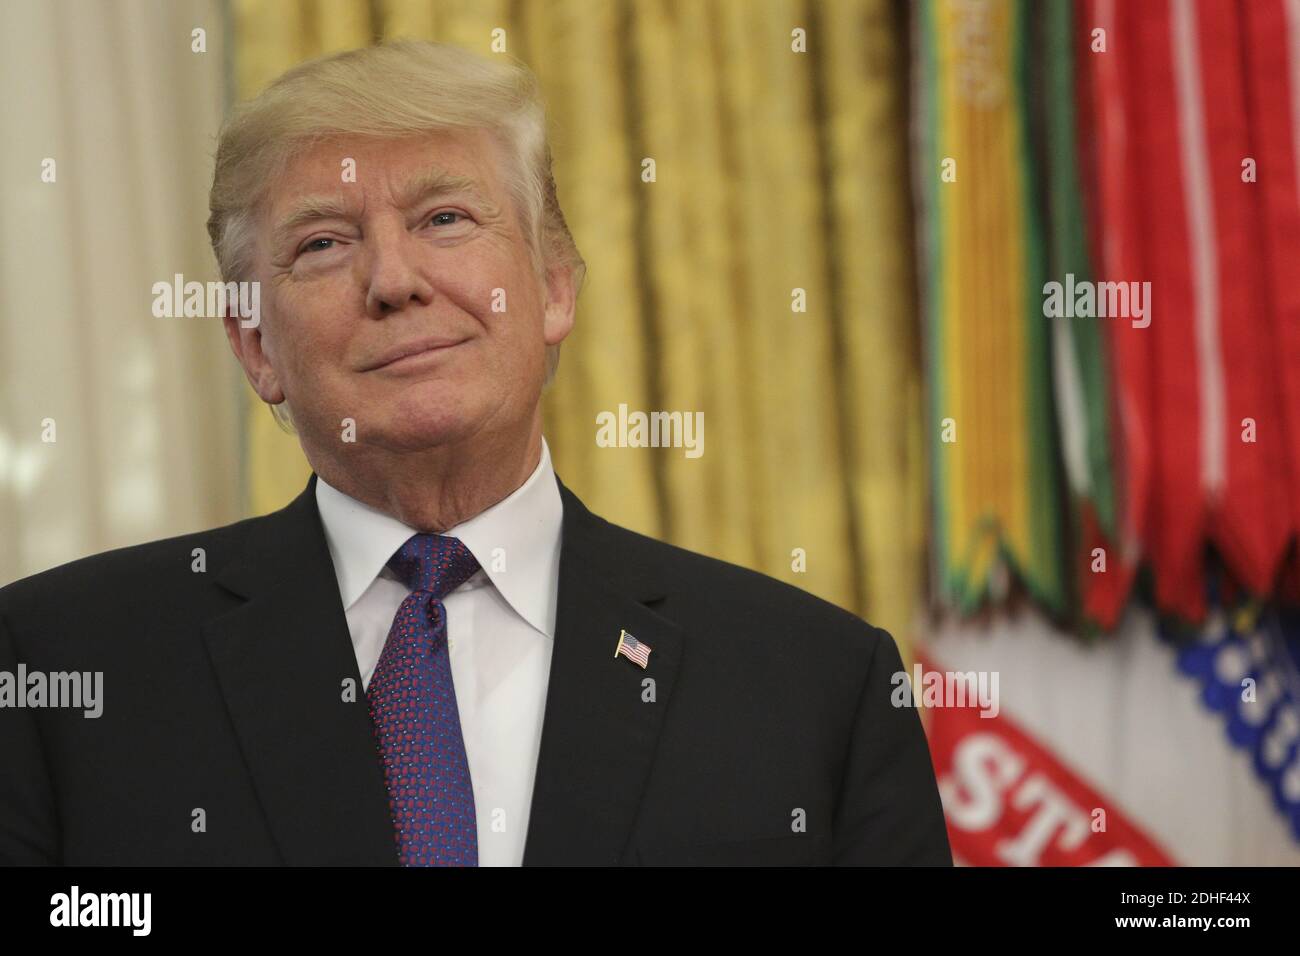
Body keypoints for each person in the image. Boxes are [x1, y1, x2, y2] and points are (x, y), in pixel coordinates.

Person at [0, 39, 950, 866]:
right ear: (254, 346)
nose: (394, 280)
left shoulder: (817, 684)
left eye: (444, 219)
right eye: (324, 243)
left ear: (553, 286)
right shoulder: (58, 670)